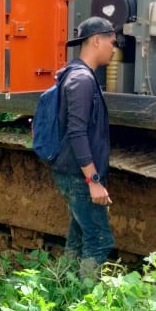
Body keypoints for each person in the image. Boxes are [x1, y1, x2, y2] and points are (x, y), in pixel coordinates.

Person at [50, 16, 117, 278]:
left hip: (73, 172)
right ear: (96, 40)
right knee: (99, 240)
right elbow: (77, 132)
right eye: (112, 42)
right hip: (79, 176)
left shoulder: (78, 74)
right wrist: (93, 180)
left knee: (78, 236)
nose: (114, 48)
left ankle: (63, 286)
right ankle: (86, 296)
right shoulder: (82, 80)